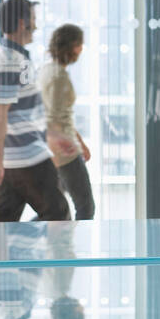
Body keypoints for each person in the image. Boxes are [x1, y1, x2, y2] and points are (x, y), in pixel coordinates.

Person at [0, 0, 72, 222]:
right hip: (28, 158)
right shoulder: (9, 61)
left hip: (15, 159)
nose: (36, 25)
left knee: (1, 226)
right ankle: (26, 251)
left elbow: (22, 114)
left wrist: (52, 136)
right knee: (59, 217)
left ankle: (11, 252)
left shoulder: (16, 58)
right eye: (33, 19)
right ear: (23, 23)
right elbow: (0, 114)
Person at [40, 23, 95, 220]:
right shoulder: (58, 76)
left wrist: (81, 143)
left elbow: (61, 116)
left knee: (55, 209)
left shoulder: (47, 71)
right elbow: (54, 118)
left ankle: (18, 238)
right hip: (64, 151)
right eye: (79, 44)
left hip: (57, 148)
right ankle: (18, 237)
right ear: (70, 46)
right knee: (85, 206)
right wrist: (72, 145)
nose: (81, 49)